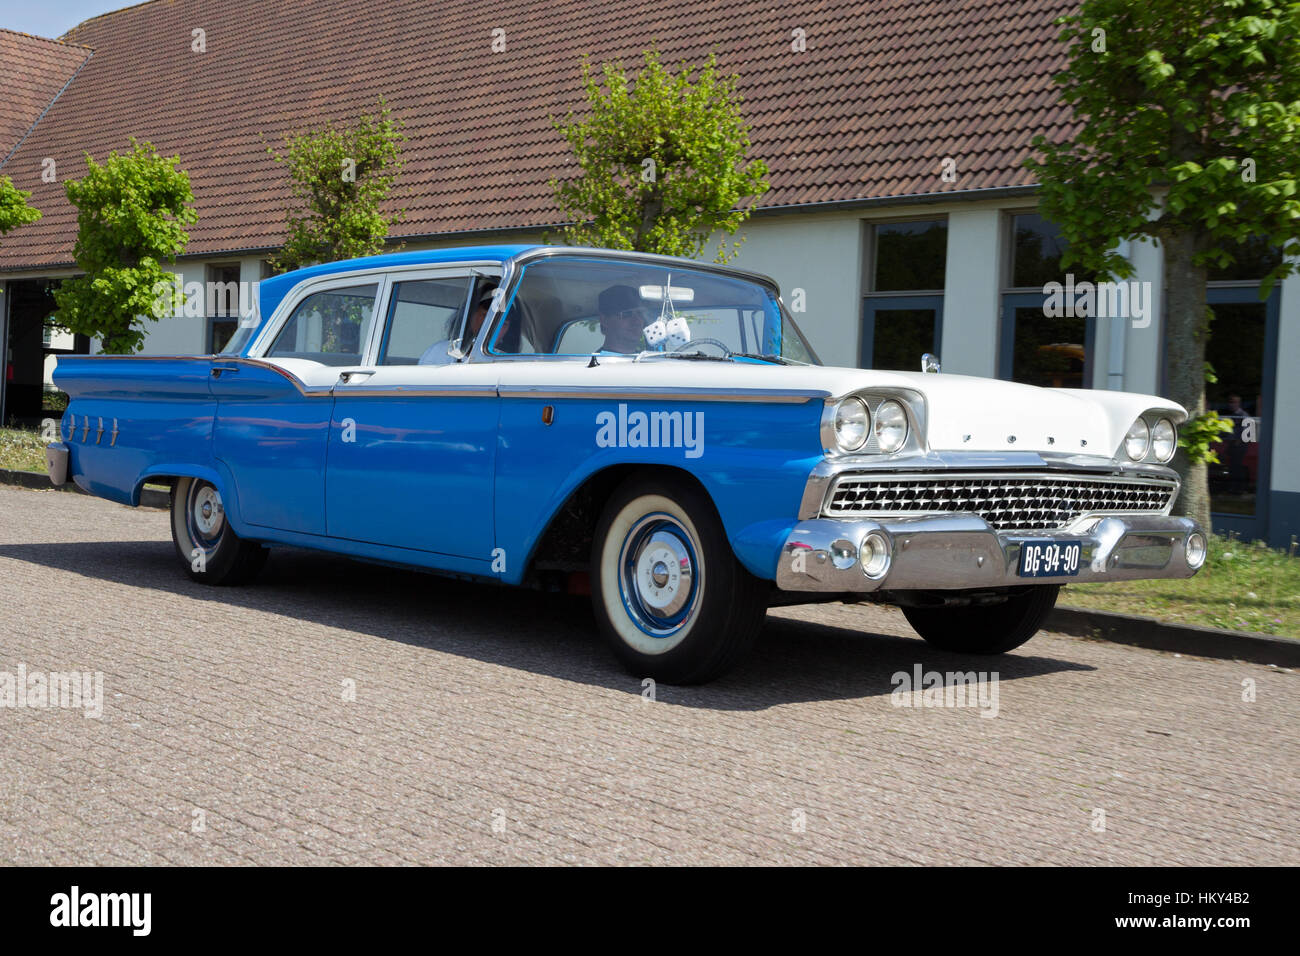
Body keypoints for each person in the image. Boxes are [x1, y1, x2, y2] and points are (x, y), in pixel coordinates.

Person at [418, 284, 496, 364]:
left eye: (504, 323)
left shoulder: (505, 359)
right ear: (470, 316)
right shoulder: (440, 351)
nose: (492, 324)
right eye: (485, 315)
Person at [596, 285, 650, 353]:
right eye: (627, 314)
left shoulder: (654, 361)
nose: (637, 321)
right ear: (604, 320)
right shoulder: (590, 362)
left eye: (640, 313)